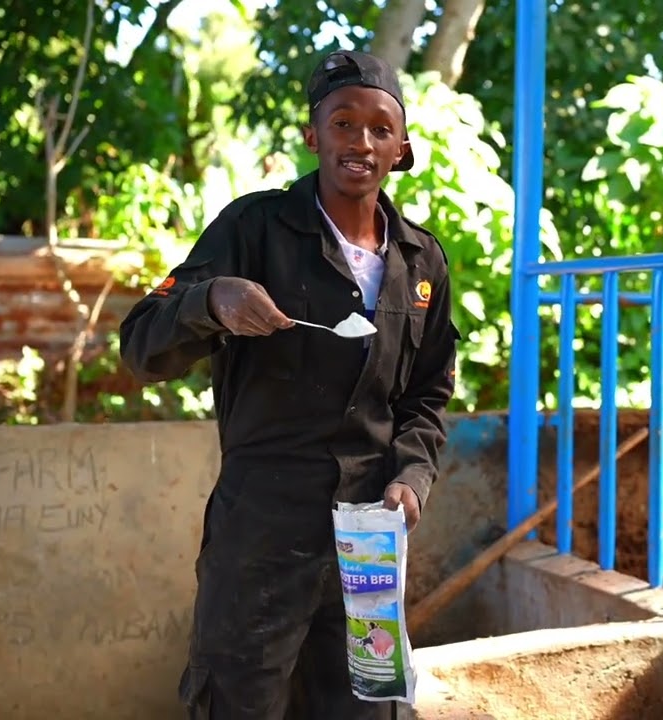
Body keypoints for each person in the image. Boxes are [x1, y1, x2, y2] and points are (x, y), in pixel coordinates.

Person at [118, 49, 460, 719]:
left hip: (369, 539)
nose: (360, 141)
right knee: (237, 703)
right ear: (313, 136)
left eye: (380, 129)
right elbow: (140, 343)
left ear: (402, 149)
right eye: (342, 123)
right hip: (261, 532)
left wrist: (411, 477)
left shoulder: (422, 262)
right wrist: (210, 301)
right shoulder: (252, 230)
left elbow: (427, 394)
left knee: (367, 704)